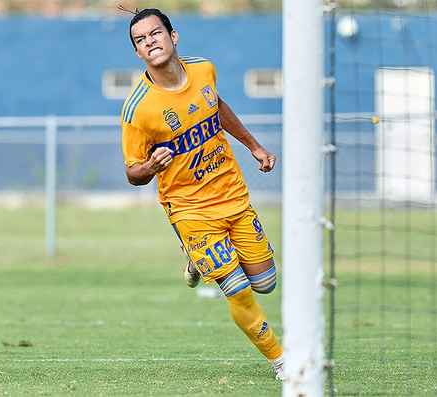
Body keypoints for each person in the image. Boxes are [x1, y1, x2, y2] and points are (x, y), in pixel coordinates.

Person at [119, 9, 284, 380]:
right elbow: (132, 173)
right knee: (238, 289)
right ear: (138, 53)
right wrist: (150, 167)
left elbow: (218, 107)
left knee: (266, 283)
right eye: (141, 40)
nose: (150, 42)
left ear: (173, 37)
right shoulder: (137, 108)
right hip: (190, 210)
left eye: (155, 33)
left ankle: (196, 261)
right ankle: (282, 361)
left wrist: (254, 146)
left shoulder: (204, 69)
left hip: (234, 197)